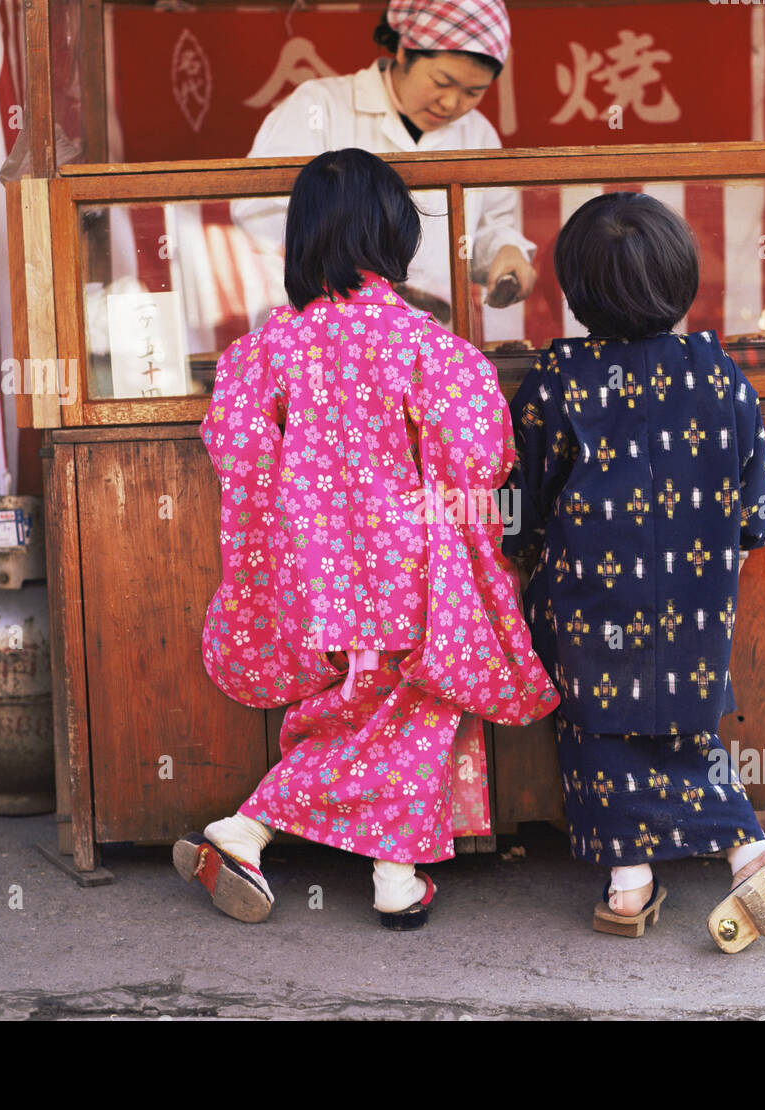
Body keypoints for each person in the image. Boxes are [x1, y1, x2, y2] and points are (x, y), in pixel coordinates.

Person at [177, 148, 558, 930]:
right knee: (415, 705)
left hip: (312, 572)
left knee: (363, 705)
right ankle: (263, 833)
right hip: (412, 565)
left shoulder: (271, 348)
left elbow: (236, 450)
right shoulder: (425, 345)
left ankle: (388, 870)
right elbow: (478, 454)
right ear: (395, 238)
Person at [503, 192, 765, 952]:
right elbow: (753, 513)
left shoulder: (557, 377)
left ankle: (630, 883)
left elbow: (522, 508)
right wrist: (730, 544)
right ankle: (749, 852)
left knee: (595, 731)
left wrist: (525, 552)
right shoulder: (720, 374)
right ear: (682, 282)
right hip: (695, 599)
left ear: (575, 294)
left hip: (585, 599)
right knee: (686, 727)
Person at [230, 0, 536, 324]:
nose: (451, 103)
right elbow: (259, 214)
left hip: (429, 342)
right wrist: (350, 272)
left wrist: (505, 251)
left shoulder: (478, 133)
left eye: (473, 92)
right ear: (404, 52)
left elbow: (490, 225)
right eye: (441, 82)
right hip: (323, 334)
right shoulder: (319, 107)